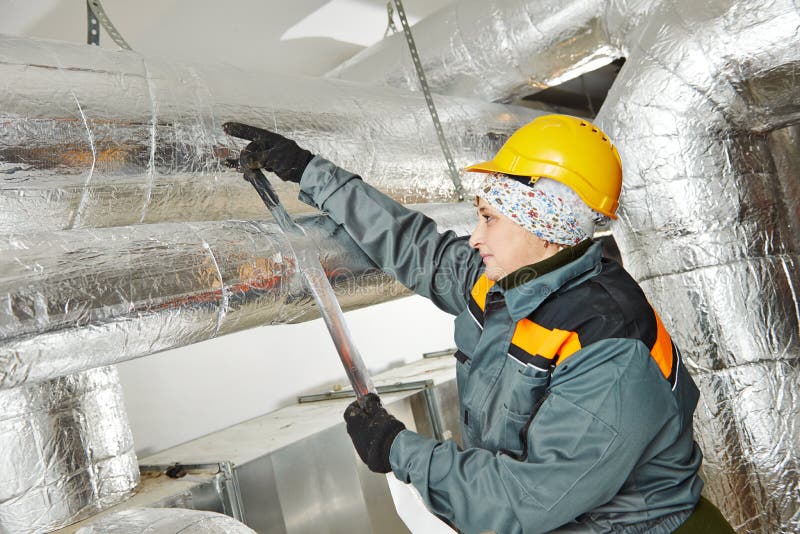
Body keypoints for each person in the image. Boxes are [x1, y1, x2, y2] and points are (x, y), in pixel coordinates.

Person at [224, 115, 734, 533]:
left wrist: (398, 449)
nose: (474, 237)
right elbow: (413, 245)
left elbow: (529, 499)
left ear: (545, 225)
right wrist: (310, 171)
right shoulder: (507, 282)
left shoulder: (607, 343)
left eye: (489, 218)